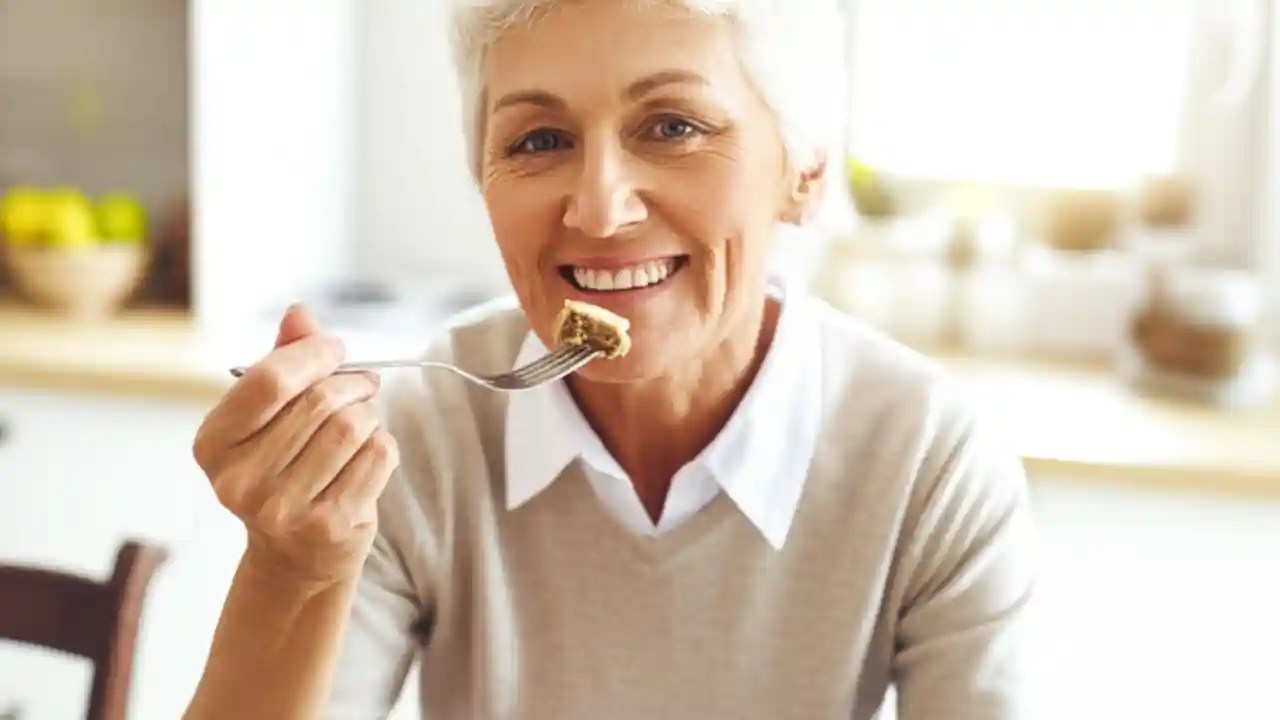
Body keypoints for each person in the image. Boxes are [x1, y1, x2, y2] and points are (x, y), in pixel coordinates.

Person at [183, 1, 1037, 718]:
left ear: (804, 170)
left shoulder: (928, 459)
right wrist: (291, 566)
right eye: (539, 140)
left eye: (673, 126)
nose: (598, 208)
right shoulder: (416, 435)